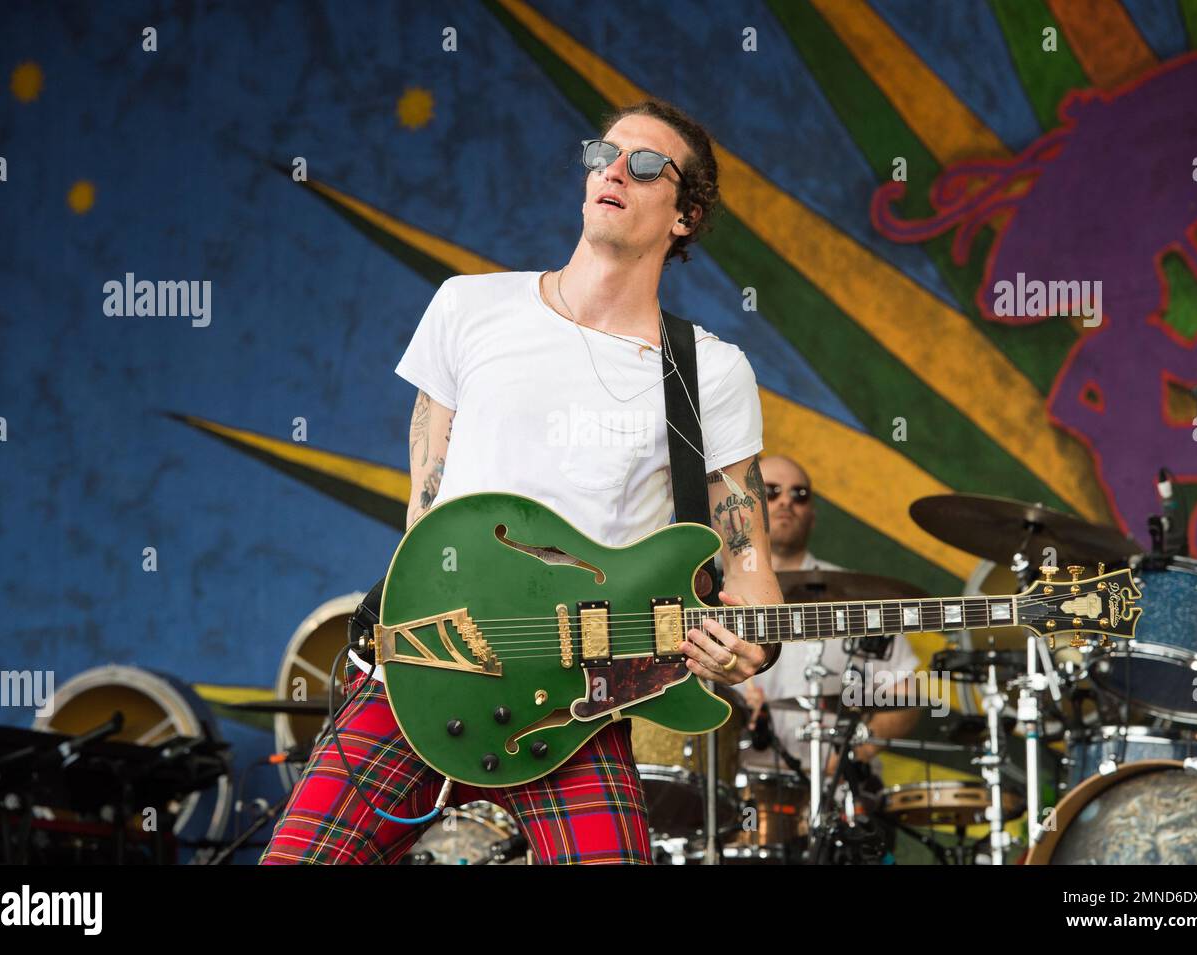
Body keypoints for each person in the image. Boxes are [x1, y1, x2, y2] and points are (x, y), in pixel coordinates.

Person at [261, 99, 784, 865]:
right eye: (604, 153)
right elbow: (425, 509)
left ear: (686, 215)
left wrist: (750, 652)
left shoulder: (709, 371)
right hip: (425, 669)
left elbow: (751, 574)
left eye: (645, 165)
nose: (613, 170)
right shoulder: (468, 307)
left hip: (577, 698)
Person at [743, 455, 920, 776]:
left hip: (837, 796)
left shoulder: (855, 597)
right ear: (744, 509)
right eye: (770, 491)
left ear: (812, 515)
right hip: (737, 794)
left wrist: (852, 757)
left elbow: (906, 695)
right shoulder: (709, 596)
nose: (786, 501)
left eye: (800, 495)